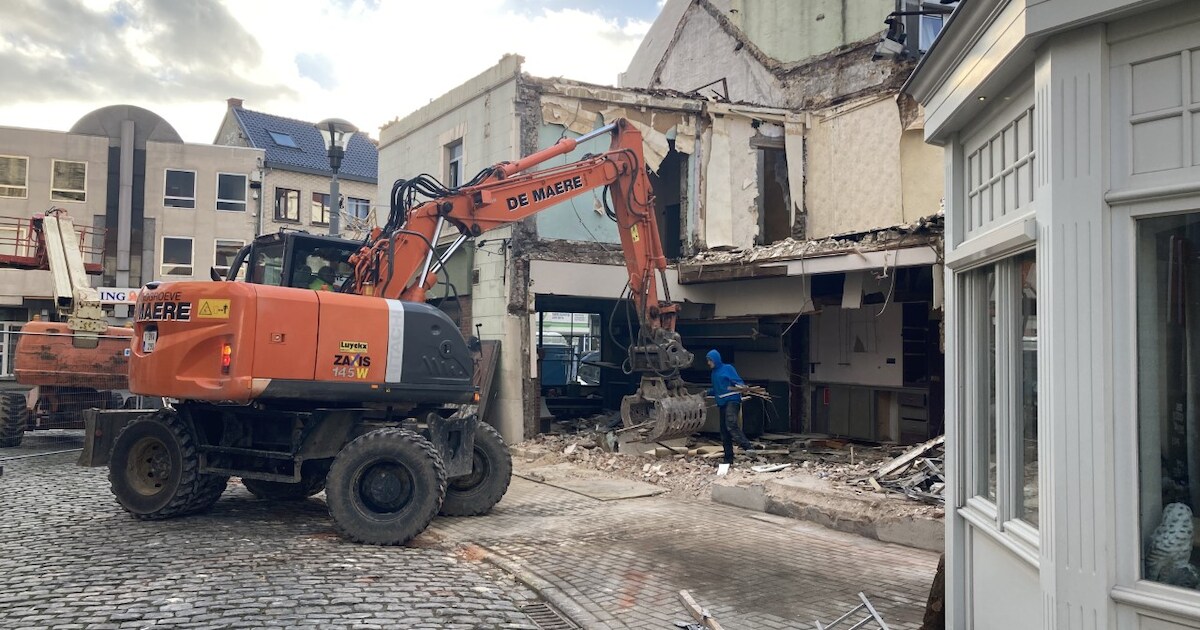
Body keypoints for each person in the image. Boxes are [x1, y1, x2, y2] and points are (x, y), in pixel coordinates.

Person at [707, 349, 754, 464]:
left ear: (716, 359)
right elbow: (718, 389)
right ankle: (728, 459)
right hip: (722, 403)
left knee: (731, 425)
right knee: (724, 432)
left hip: (732, 401)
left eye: (710, 360)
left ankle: (748, 447)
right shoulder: (714, 374)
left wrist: (742, 387)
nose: (708, 363)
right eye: (707, 360)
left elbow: (737, 381)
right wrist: (707, 392)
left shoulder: (727, 368)